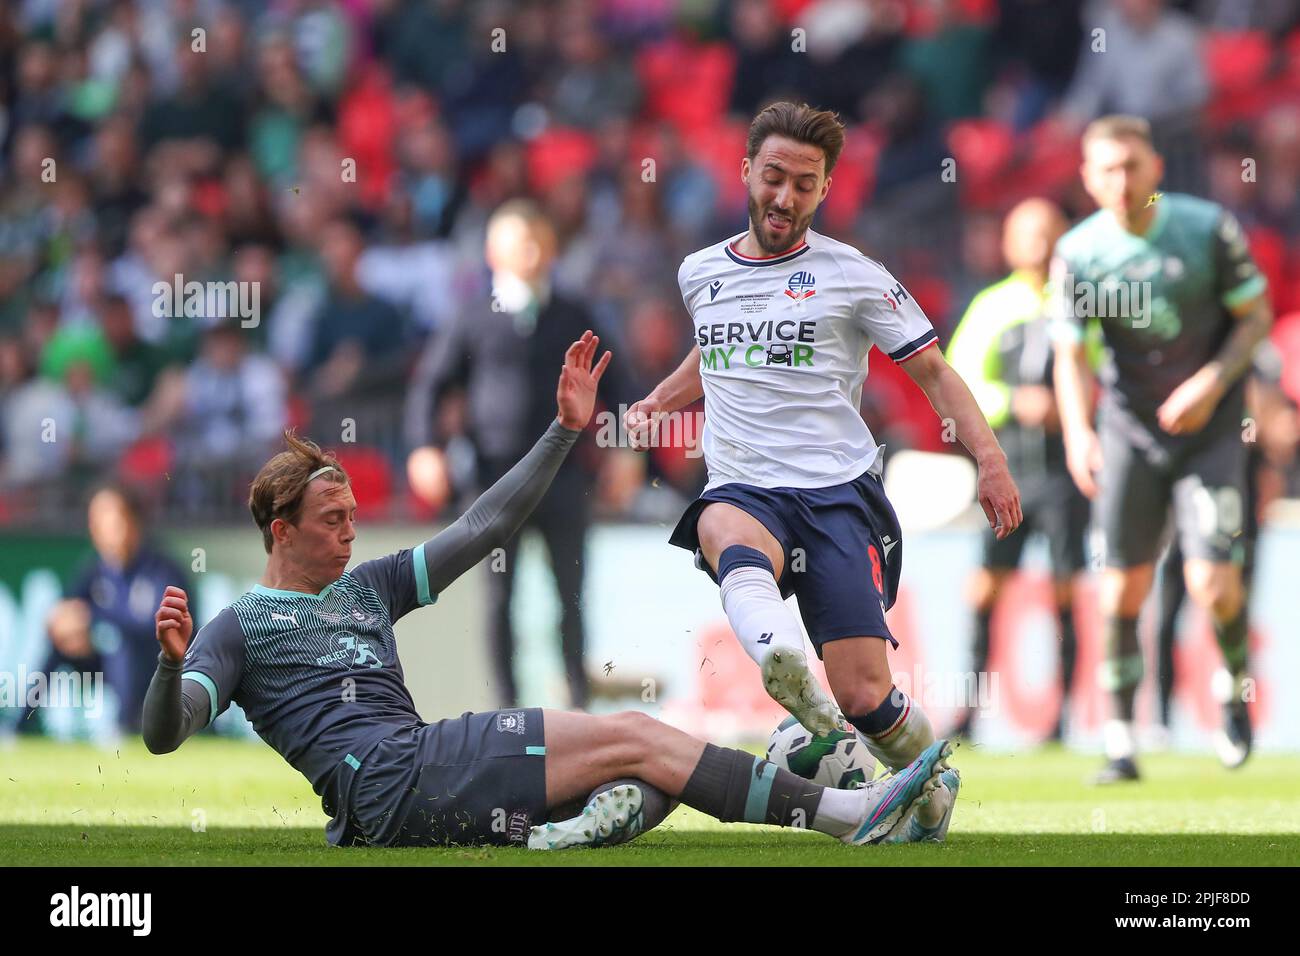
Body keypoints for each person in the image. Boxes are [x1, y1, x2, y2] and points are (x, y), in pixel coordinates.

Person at [142, 331, 955, 849]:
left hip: (415, 780)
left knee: (648, 769)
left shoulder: (369, 587)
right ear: (280, 530)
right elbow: (164, 735)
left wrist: (566, 430)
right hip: (395, 775)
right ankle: (847, 815)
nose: (352, 530)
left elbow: (486, 527)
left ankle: (569, 832)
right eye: (331, 518)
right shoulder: (242, 626)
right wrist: (173, 665)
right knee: (638, 735)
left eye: (354, 514)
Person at [623, 102, 1021, 842]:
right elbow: (715, 352)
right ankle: (784, 667)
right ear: (746, 173)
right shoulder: (699, 271)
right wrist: (659, 400)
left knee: (868, 696)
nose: (784, 197)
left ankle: (927, 784)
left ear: (824, 190)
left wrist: (990, 460)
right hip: (744, 488)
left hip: (837, 496)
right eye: (773, 177)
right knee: (722, 525)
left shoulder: (853, 274)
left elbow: (934, 370)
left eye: (803, 185)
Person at [1051, 115, 1273, 782]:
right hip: (1129, 434)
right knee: (1120, 592)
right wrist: (1078, 430)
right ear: (1088, 180)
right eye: (1108, 170)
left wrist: (1210, 383)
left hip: (1210, 433)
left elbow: (1256, 316)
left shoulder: (1207, 229)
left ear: (1156, 170)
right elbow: (1069, 354)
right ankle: (1121, 741)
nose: (1122, 181)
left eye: (1133, 166)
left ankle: (1234, 691)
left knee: (1213, 583)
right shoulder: (1080, 254)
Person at [404, 201, 616, 710]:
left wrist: (626, 448)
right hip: (495, 479)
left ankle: (577, 701)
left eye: (541, 239)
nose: (534, 250)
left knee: (571, 594)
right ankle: (507, 709)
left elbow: (619, 377)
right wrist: (423, 450)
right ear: (493, 251)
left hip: (564, 479)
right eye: (522, 240)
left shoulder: (573, 313)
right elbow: (429, 385)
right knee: (499, 598)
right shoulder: (473, 316)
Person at [945, 198, 1090, 743]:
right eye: (1025, 231)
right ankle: (970, 713)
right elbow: (959, 382)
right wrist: (1012, 402)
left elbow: (1101, 373)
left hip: (1063, 471)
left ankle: (1063, 719)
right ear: (1008, 242)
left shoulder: (1079, 303)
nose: (1037, 241)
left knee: (1065, 590)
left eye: (1047, 230)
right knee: (987, 588)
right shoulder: (992, 305)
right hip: (1009, 470)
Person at [41, 483, 190, 735]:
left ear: (133, 521)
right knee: (62, 639)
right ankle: (18, 727)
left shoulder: (161, 569)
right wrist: (67, 626)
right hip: (108, 664)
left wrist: (96, 621)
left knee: (120, 641)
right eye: (96, 521)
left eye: (111, 518)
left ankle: (124, 727)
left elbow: (158, 629)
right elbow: (72, 610)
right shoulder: (95, 569)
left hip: (158, 666)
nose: (103, 528)